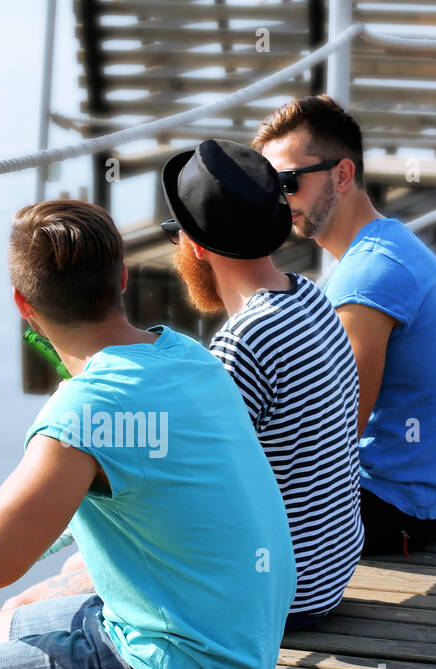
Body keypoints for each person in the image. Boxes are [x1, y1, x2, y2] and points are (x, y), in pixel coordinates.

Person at [0, 199, 296, 669]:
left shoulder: (83, 411)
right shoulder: (188, 355)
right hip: (240, 651)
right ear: (121, 277)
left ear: (21, 303)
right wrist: (12, 510)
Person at [254, 95, 436, 556]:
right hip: (412, 501)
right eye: (270, 185)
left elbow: (336, 426)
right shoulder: (380, 248)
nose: (280, 198)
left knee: (200, 500)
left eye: (289, 181)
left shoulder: (369, 274)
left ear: (343, 174)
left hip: (388, 512)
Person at [161, 139, 363, 630]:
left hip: (285, 593)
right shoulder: (311, 296)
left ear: (197, 246)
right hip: (331, 569)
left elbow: (199, 490)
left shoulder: (243, 342)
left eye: (177, 236)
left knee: (64, 583)